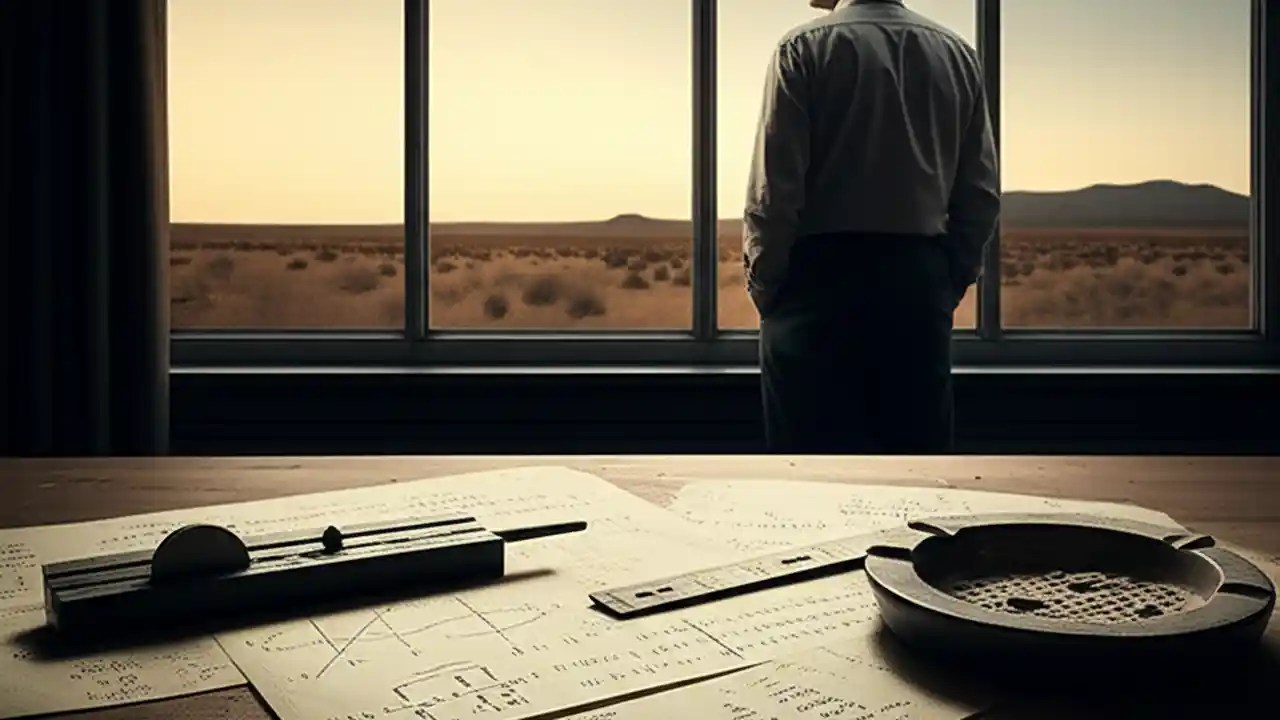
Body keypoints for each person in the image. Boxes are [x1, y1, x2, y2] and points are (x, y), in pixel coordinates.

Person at [744, 0, 1000, 454]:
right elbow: (978, 194)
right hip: (917, 283)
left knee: (808, 474)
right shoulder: (956, 54)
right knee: (915, 471)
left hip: (815, 283)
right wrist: (945, 282)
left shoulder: (803, 48)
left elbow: (775, 193)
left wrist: (769, 290)